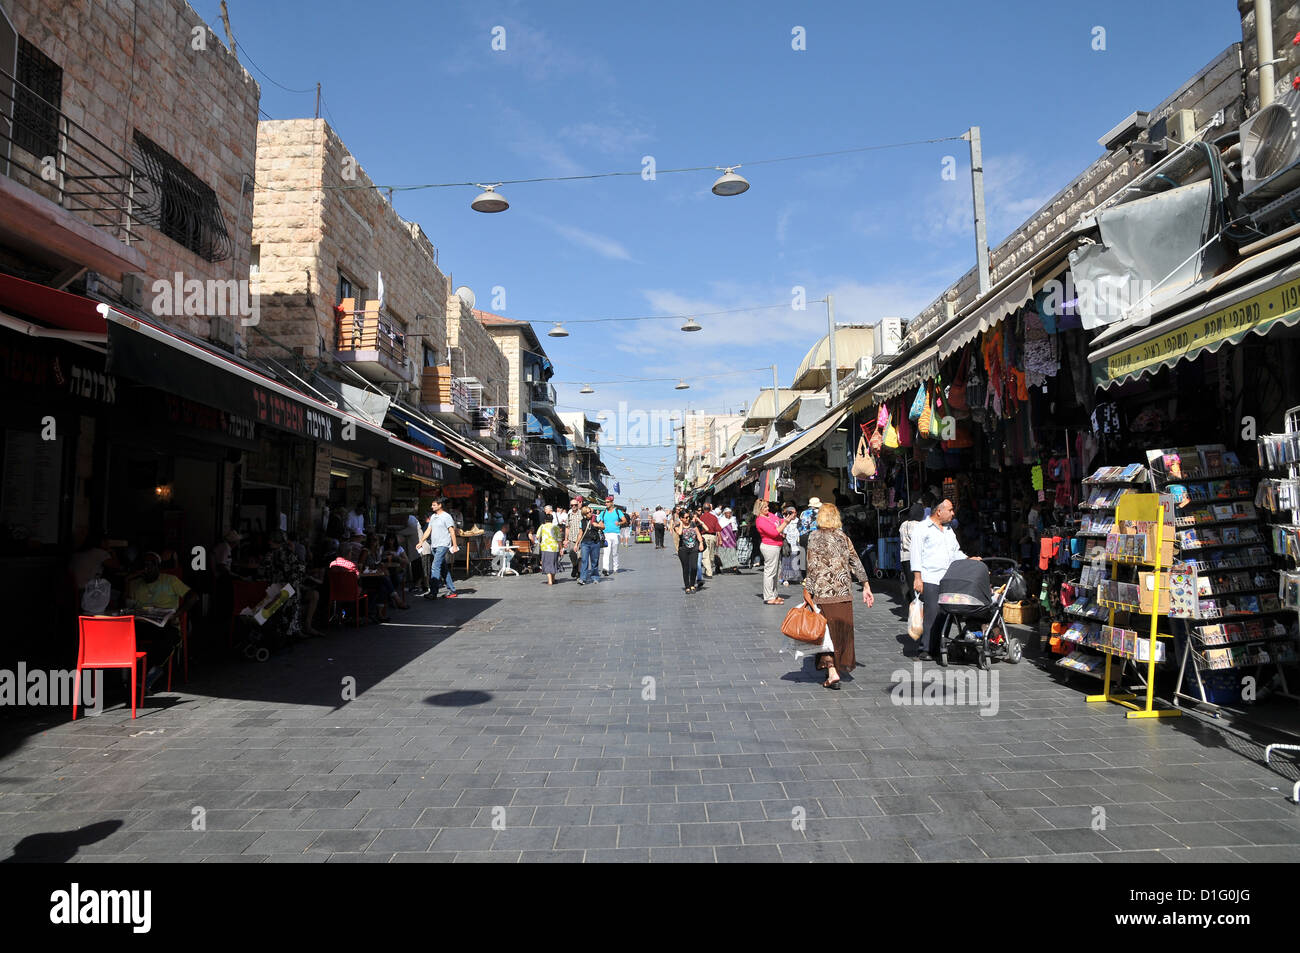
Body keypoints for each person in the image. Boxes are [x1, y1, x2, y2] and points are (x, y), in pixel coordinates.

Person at [802, 502, 874, 689]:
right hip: (843, 594)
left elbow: (812, 567)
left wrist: (807, 590)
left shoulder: (813, 537)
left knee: (825, 634)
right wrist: (866, 585)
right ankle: (838, 667)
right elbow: (855, 562)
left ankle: (832, 671)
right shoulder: (843, 537)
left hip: (822, 594)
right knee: (842, 633)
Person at [912, 498, 979, 665]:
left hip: (947, 578)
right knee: (932, 613)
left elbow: (955, 552)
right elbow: (915, 554)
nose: (953, 513)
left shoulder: (948, 531)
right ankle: (925, 649)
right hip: (930, 578)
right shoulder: (922, 528)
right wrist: (917, 578)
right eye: (950, 510)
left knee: (945, 613)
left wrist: (969, 559)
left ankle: (938, 647)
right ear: (939, 511)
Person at [125, 552, 196, 691]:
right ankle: (124, 679)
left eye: (151, 565)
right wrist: (127, 581)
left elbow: (193, 597)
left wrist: (177, 614)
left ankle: (146, 675)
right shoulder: (135, 584)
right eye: (144, 566)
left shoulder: (170, 580)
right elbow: (128, 605)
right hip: (142, 625)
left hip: (165, 625)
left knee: (170, 638)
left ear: (158, 567)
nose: (147, 569)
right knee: (122, 636)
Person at [256, 529, 307, 644]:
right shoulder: (286, 554)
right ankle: (288, 633)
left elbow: (262, 573)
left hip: (272, 590)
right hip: (285, 591)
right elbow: (298, 571)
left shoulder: (270, 555)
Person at [330, 543, 390, 623]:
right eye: (351, 552)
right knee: (375, 589)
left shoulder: (332, 564)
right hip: (352, 593)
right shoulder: (350, 565)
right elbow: (357, 577)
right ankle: (370, 614)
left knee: (379, 585)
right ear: (348, 553)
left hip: (335, 592)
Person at [419, 498, 459, 600]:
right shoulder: (433, 517)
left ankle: (433, 592)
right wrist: (421, 541)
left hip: (443, 545)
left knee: (435, 567)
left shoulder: (447, 517)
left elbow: (452, 531)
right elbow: (429, 530)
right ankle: (452, 590)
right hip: (434, 545)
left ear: (440, 505)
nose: (432, 507)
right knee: (443, 568)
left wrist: (454, 545)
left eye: (434, 505)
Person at [754, 499, 792, 605]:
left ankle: (774, 594)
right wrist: (786, 522)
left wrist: (786, 518)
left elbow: (779, 521)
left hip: (776, 546)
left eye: (767, 506)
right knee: (770, 572)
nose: (768, 508)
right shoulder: (760, 520)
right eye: (765, 507)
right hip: (769, 546)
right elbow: (774, 533)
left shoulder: (769, 515)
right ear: (759, 509)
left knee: (775, 572)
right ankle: (769, 597)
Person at [673, 509, 703, 593]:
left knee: (694, 567)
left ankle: (692, 584)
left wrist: (701, 543)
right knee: (686, 568)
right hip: (683, 549)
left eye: (688, 517)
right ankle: (687, 586)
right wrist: (682, 523)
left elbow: (698, 534)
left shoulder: (692, 524)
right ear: (681, 518)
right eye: (685, 518)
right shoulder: (677, 525)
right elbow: (679, 533)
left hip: (694, 547)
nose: (687, 519)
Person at [599, 496, 628, 576]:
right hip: (606, 534)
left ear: (612, 502)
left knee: (615, 553)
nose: (606, 504)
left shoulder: (618, 511)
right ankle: (606, 569)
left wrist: (619, 523)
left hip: (615, 534)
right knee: (606, 552)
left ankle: (615, 568)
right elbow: (600, 521)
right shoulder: (603, 512)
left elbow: (624, 520)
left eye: (608, 502)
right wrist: (600, 524)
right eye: (606, 502)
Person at [578, 506, 603, 585]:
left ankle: (595, 577)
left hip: (595, 542)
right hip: (585, 543)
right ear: (584, 514)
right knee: (584, 560)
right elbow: (580, 533)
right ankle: (583, 578)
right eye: (588, 512)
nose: (590, 513)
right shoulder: (581, 521)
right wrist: (576, 544)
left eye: (590, 511)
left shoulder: (596, 518)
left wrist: (597, 525)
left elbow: (603, 526)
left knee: (594, 561)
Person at [898, 503, 925, 577]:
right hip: (916, 558)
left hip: (904, 557)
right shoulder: (919, 525)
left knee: (910, 582)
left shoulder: (903, 524)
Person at [696, 503, 721, 579]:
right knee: (711, 554)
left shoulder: (701, 517)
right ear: (710, 509)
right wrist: (719, 540)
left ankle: (709, 572)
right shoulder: (714, 517)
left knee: (705, 555)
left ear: (703, 509)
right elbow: (718, 530)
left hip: (704, 536)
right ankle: (709, 570)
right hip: (713, 536)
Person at [538, 516, 562, 585]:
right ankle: (553, 579)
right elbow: (559, 539)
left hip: (545, 547)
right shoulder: (556, 527)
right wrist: (561, 549)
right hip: (554, 548)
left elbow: (537, 536)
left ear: (545, 520)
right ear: (552, 520)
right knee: (554, 563)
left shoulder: (542, 527)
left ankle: (550, 581)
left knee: (547, 564)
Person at [564, 499, 584, 579]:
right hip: (572, 538)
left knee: (580, 556)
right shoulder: (569, 515)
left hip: (581, 539)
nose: (574, 507)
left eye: (575, 505)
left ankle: (579, 572)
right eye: (572, 505)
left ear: (578, 505)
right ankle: (574, 566)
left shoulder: (582, 514)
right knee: (572, 555)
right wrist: (566, 538)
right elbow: (567, 527)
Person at [716, 506, 739, 572]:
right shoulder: (721, 520)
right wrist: (719, 539)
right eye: (727, 513)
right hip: (724, 539)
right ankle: (718, 567)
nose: (729, 515)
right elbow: (718, 530)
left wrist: (736, 536)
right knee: (722, 553)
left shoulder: (733, 519)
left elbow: (735, 529)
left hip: (732, 539)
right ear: (724, 513)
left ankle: (735, 568)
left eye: (730, 513)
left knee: (733, 553)